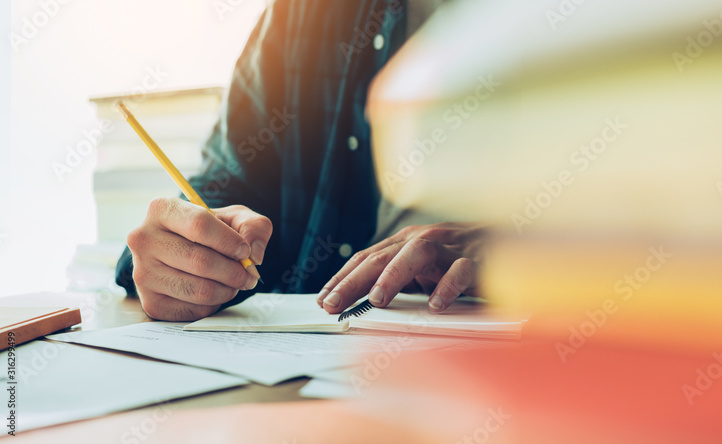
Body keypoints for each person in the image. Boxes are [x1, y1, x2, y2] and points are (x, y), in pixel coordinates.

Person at [114, 0, 486, 322]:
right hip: (312, 346)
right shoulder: (299, 11)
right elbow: (231, 183)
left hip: (509, 343)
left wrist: (510, 248)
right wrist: (182, 249)